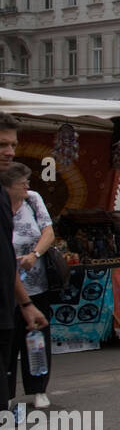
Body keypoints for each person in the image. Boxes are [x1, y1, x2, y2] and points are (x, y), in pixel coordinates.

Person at [0, 115, 49, 430]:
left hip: (16, 297)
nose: (9, 151)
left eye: (12, 144)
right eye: (2, 144)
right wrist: (24, 301)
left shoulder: (28, 201)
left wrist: (25, 301)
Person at [4, 163, 55, 410]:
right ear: (8, 185)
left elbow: (48, 232)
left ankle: (38, 389)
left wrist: (35, 254)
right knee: (8, 339)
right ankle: (7, 392)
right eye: (22, 183)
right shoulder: (3, 203)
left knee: (36, 336)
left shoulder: (33, 200)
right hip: (6, 285)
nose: (27, 186)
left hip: (36, 282)